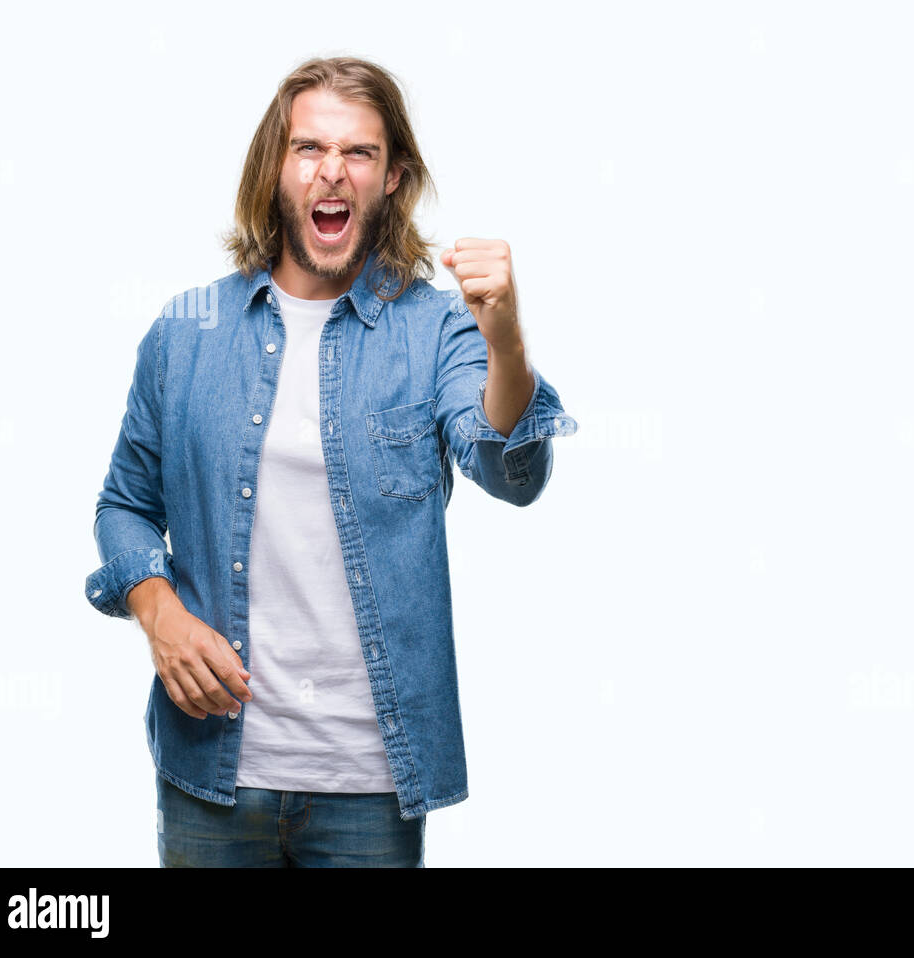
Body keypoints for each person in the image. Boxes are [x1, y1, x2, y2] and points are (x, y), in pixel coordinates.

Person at [83, 56, 578, 868]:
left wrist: (507, 340)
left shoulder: (435, 331)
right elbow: (122, 503)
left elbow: (511, 473)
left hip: (369, 785)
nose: (331, 171)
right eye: (309, 148)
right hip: (212, 772)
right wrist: (158, 613)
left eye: (359, 153)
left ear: (393, 179)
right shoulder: (186, 332)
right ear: (275, 168)